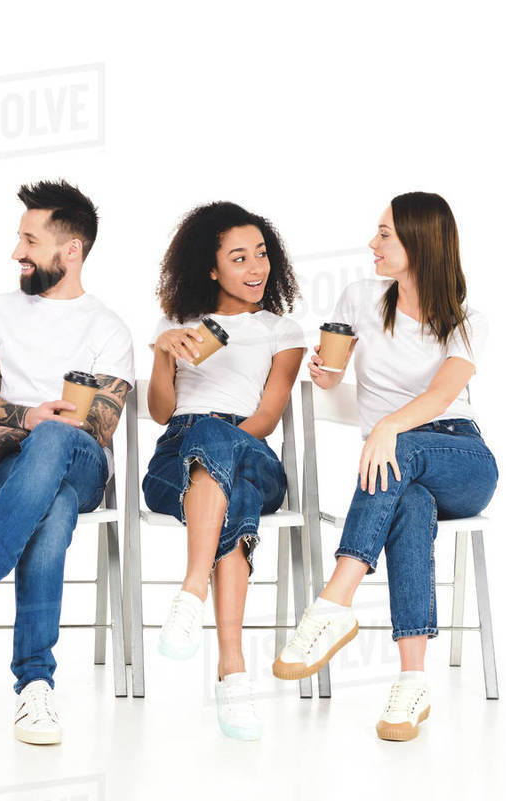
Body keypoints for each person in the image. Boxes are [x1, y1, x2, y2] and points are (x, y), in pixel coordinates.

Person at [272, 192, 497, 742]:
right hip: (400, 470)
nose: (372, 244)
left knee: (401, 452)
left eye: (384, 234)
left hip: (462, 458)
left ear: (418, 243)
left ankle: (333, 603)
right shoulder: (361, 298)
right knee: (410, 506)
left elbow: (444, 395)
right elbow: (334, 369)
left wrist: (389, 427)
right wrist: (327, 375)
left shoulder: (467, 318)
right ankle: (412, 683)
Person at [0, 180, 134, 745]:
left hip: (82, 466)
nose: (16, 252)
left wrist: (22, 428)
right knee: (54, 506)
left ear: (71, 250)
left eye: (29, 239)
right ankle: (34, 688)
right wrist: (28, 423)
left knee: (58, 442)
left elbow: (98, 428)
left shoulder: (108, 328)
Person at [142, 202, 304, 740]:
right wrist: (163, 354)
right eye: (239, 258)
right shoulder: (177, 326)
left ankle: (192, 590)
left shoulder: (283, 330)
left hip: (252, 451)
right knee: (232, 501)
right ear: (210, 269)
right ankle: (232, 672)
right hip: (177, 455)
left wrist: (220, 432)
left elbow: (266, 416)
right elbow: (162, 412)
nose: (256, 268)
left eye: (261, 254)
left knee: (218, 439)